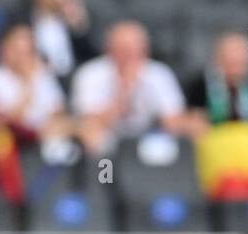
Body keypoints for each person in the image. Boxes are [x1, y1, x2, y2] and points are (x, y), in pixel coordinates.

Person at [70, 20, 185, 154]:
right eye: (123, 48)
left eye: (136, 48)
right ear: (109, 48)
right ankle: (103, 175)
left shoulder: (159, 73)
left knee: (165, 145)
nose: (130, 54)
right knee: (96, 138)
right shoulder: (90, 74)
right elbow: (88, 121)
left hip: (147, 136)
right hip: (108, 136)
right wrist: (124, 91)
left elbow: (173, 120)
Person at [0, 21, 68, 139]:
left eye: (28, 51)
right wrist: (28, 83)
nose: (24, 57)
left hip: (49, 134)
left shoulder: (41, 73)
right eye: (18, 51)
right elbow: (4, 123)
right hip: (13, 141)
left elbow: (59, 109)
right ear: (4, 49)